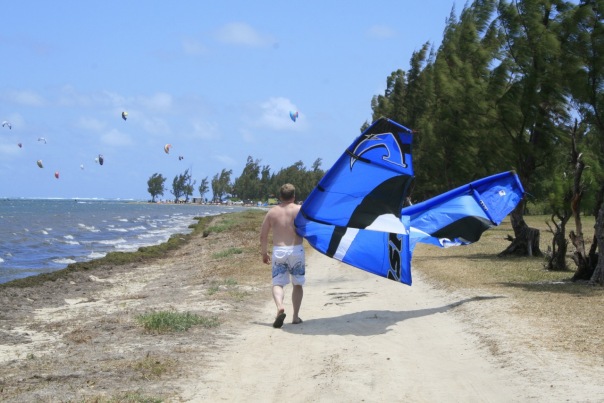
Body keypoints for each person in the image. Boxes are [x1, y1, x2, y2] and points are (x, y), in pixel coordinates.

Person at [260, 183, 305, 328]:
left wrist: (264, 253)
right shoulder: (299, 210)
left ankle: (280, 306)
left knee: (278, 283)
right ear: (294, 196)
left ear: (280, 196)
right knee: (297, 284)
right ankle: (295, 317)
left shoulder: (272, 212)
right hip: (296, 249)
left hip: (279, 250)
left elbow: (263, 235)